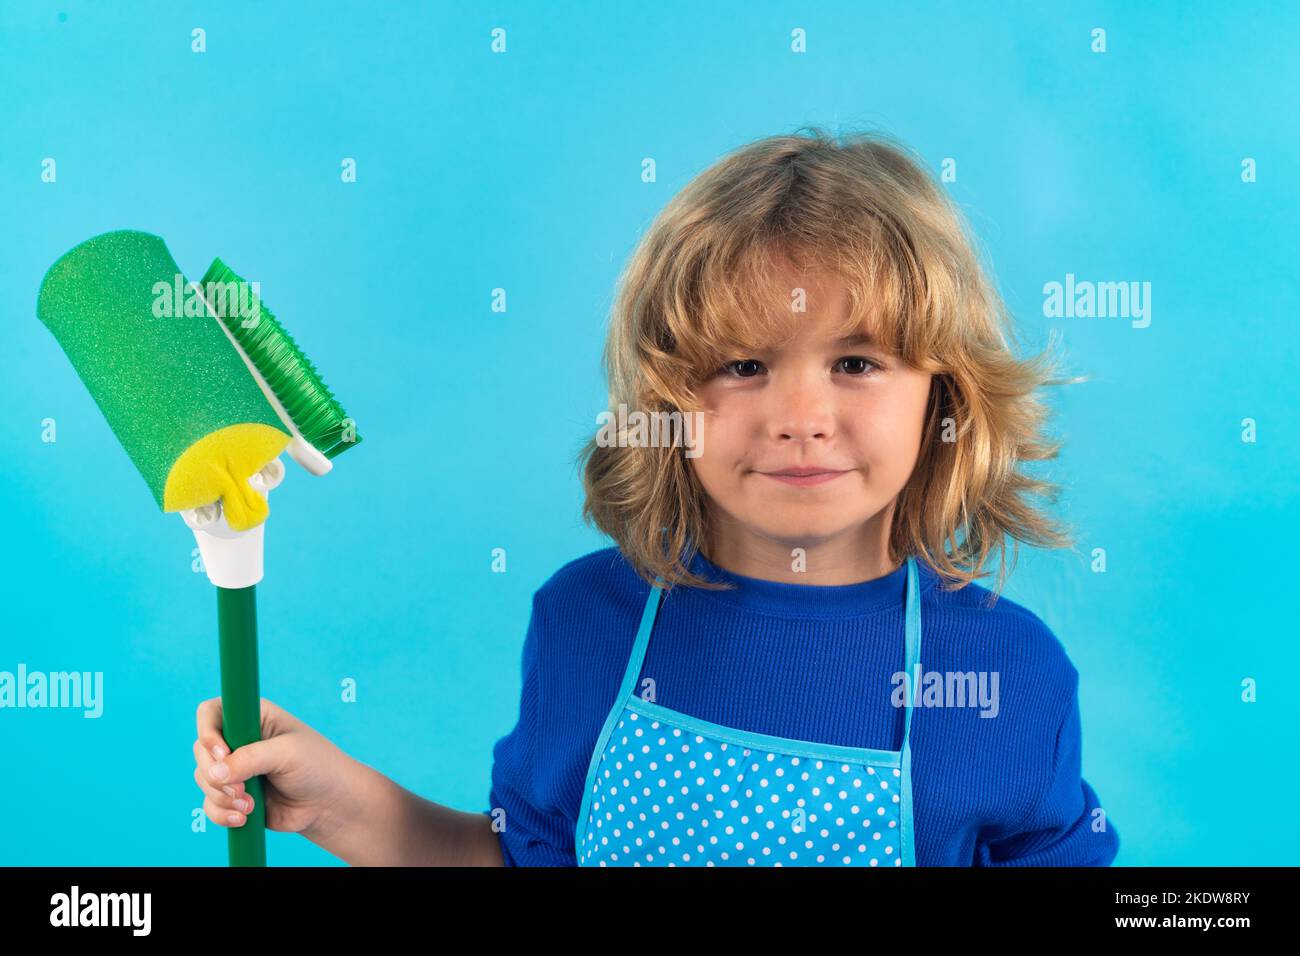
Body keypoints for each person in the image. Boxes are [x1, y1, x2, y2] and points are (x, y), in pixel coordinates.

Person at [193, 126, 1119, 866]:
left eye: (857, 362)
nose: (801, 416)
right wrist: (341, 804)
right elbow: (520, 856)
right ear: (668, 402)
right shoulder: (588, 620)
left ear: (943, 395)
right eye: (744, 365)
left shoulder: (1006, 674)